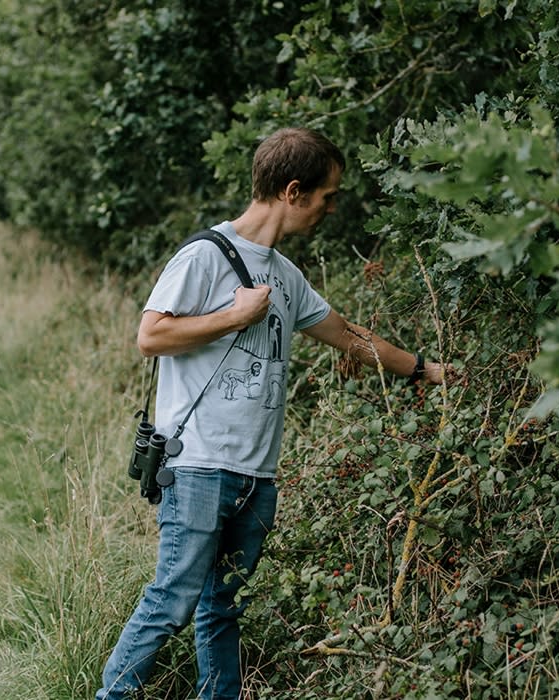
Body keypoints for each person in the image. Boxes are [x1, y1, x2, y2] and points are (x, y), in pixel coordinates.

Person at [96, 127, 445, 700]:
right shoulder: (204, 256)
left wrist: (423, 370)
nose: (332, 207)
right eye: (328, 195)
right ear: (293, 191)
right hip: (199, 467)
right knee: (171, 603)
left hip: (257, 477)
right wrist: (233, 317)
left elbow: (347, 336)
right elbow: (150, 335)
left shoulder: (284, 274)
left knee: (222, 607)